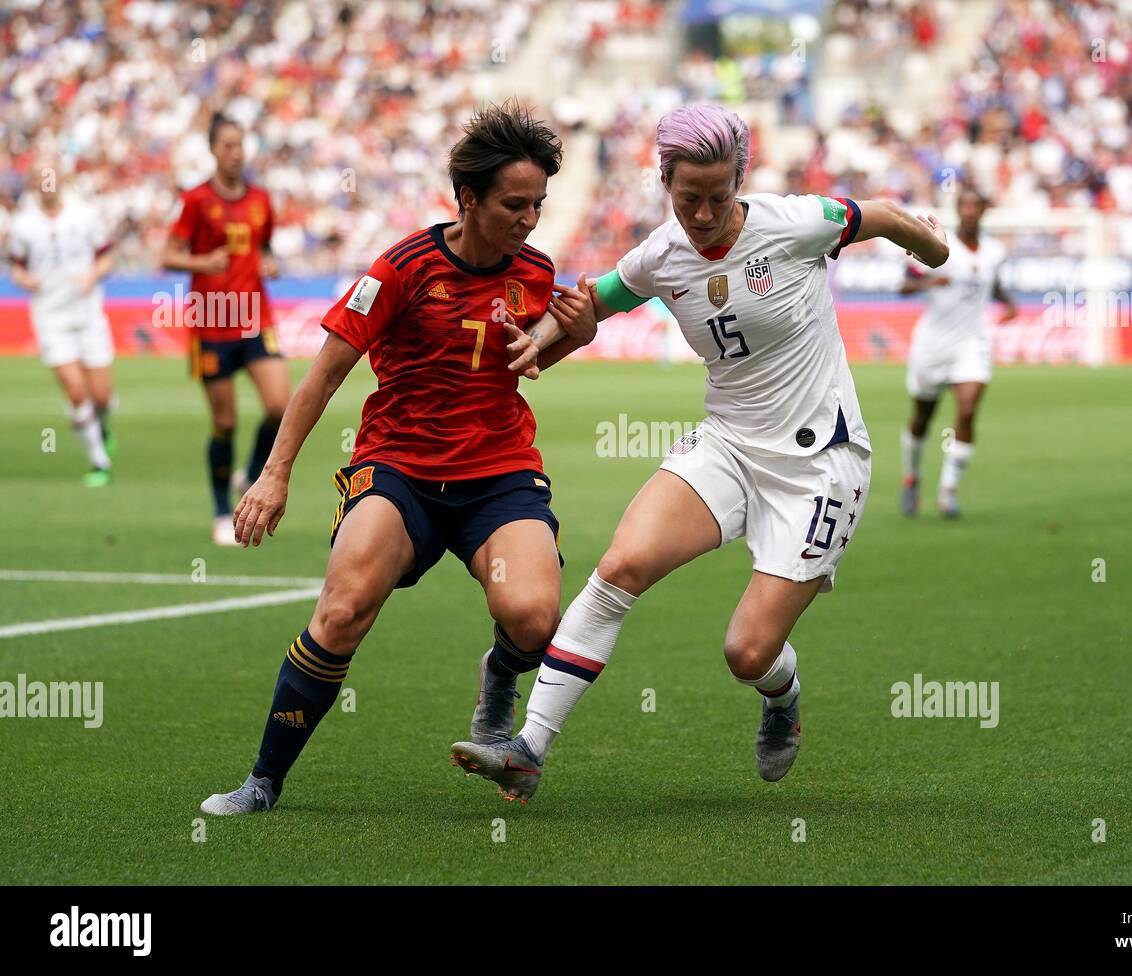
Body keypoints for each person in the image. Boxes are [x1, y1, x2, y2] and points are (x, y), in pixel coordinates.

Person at [449, 104, 948, 803]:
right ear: (664, 182)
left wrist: (938, 253)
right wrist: (538, 348)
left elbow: (886, 213)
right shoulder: (659, 256)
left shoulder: (796, 223)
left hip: (818, 462)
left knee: (748, 652)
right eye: (689, 199)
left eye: (718, 197)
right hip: (728, 444)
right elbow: (592, 309)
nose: (705, 214)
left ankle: (783, 698)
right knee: (620, 566)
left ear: (739, 180)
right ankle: (528, 750)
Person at [198, 101, 596, 816]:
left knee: (535, 620)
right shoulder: (404, 267)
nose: (530, 219)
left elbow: (529, 361)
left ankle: (499, 675)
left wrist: (576, 335)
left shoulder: (535, 272)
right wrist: (275, 473)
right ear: (468, 199)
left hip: (499, 474)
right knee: (344, 608)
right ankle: (263, 781)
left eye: (538, 203)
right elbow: (323, 373)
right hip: (400, 470)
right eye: (515, 204)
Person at [162, 114, 291, 545]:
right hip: (212, 320)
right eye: (229, 146)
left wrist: (269, 262)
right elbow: (167, 256)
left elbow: (265, 246)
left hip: (256, 318)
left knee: (279, 405)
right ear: (214, 150)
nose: (236, 153)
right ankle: (221, 512)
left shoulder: (260, 198)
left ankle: (251, 475)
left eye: (241, 145)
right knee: (225, 422)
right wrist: (202, 262)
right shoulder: (197, 200)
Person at [899, 187, 1017, 518]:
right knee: (922, 418)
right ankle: (912, 477)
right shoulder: (936, 245)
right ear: (957, 209)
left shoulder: (994, 251)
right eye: (963, 205)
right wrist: (929, 284)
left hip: (972, 344)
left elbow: (989, 282)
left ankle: (948, 491)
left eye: (974, 205)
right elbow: (904, 285)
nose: (968, 211)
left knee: (966, 411)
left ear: (983, 211)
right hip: (933, 345)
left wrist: (1008, 303)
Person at [8, 162, 117, 486]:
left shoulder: (84, 214)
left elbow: (107, 257)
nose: (46, 184)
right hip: (50, 316)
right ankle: (100, 462)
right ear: (33, 184)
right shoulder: (23, 225)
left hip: (87, 312)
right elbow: (16, 268)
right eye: (40, 179)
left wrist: (92, 275)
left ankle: (102, 425)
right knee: (75, 389)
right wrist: (26, 280)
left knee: (101, 396)